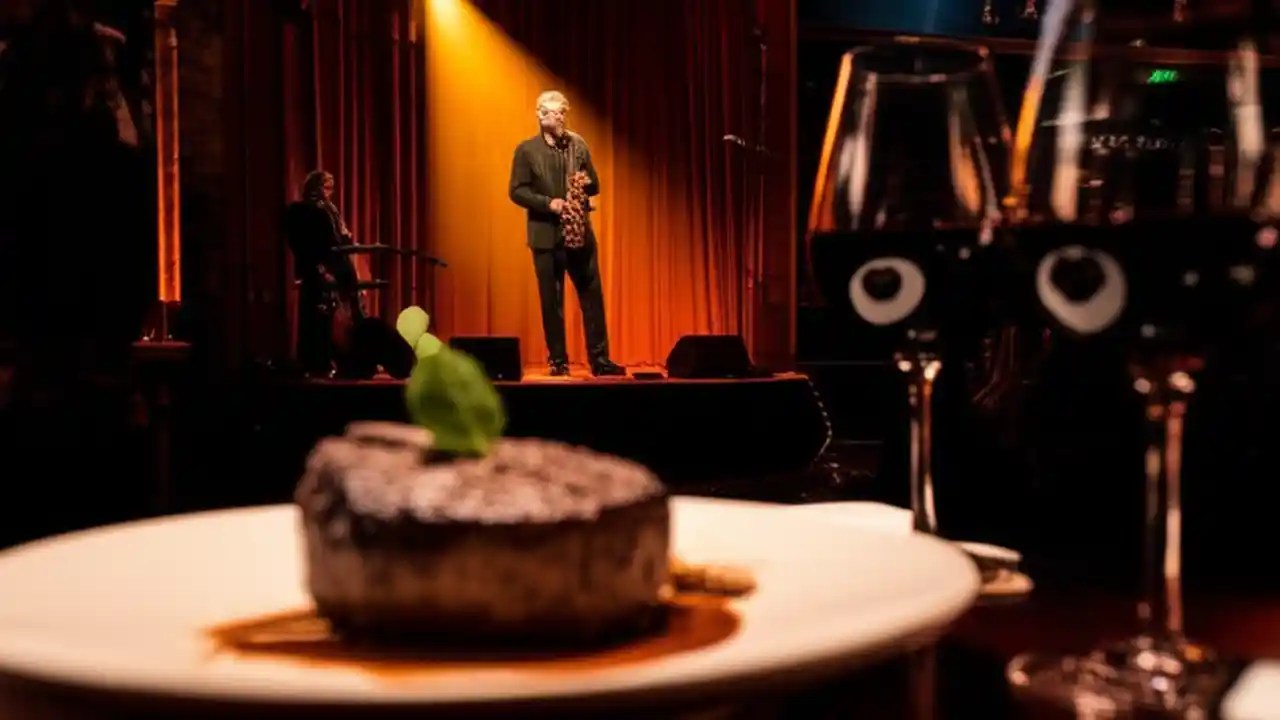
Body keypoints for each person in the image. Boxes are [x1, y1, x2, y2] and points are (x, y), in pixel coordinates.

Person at [508, 90, 624, 377]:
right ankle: (558, 360)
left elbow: (594, 183)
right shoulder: (526, 150)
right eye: (551, 111)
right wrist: (549, 204)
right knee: (552, 301)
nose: (557, 116)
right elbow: (517, 191)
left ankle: (600, 360)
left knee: (592, 295)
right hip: (546, 237)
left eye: (561, 111)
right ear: (538, 114)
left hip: (579, 231)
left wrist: (581, 189)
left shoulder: (578, 144)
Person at [285, 170, 365, 376]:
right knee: (332, 313)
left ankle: (313, 361)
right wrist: (346, 238)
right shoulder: (324, 211)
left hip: (309, 269)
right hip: (329, 268)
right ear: (318, 188)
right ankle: (343, 356)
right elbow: (335, 241)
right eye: (327, 187)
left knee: (311, 315)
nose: (330, 193)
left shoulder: (294, 210)